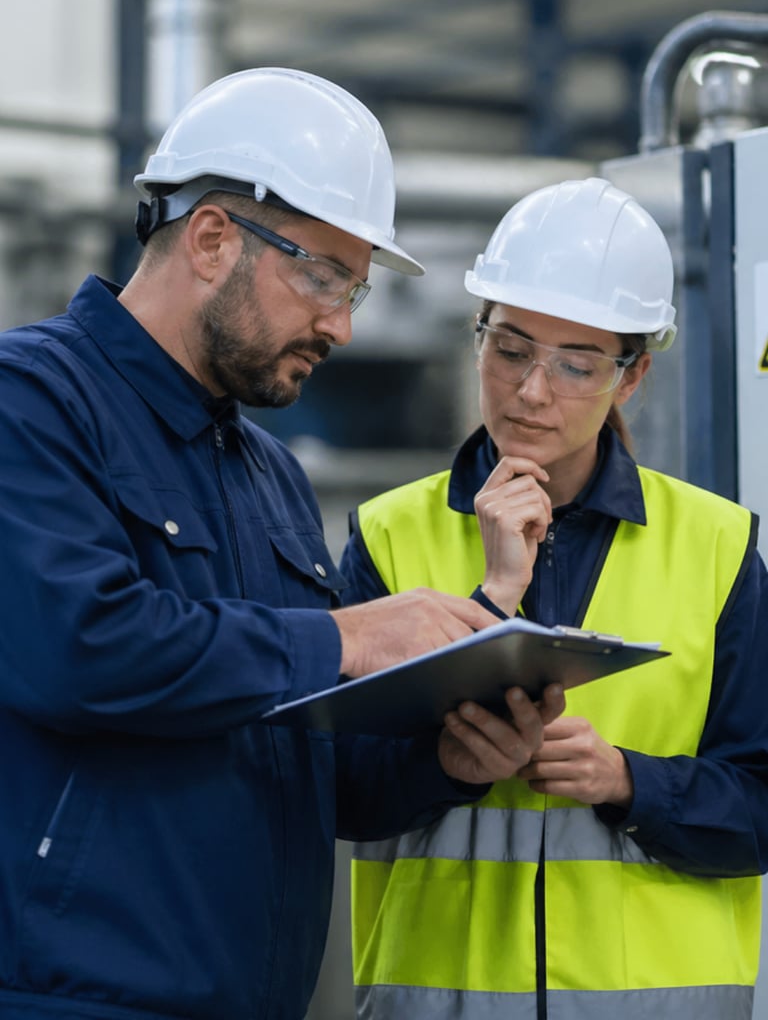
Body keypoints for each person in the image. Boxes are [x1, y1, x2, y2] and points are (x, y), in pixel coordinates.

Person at [0, 68, 566, 1020]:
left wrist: (450, 763)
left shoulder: (270, 472)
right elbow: (78, 649)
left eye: (356, 287)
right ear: (215, 237)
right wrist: (351, 636)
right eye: (325, 277)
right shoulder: (32, 401)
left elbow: (311, 764)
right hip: (76, 994)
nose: (342, 323)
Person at [341, 177, 768, 1020]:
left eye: (576, 365)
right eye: (510, 349)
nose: (532, 391)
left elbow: (759, 801)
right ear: (477, 338)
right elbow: (339, 792)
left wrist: (628, 782)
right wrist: (492, 605)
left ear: (632, 375)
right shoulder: (387, 535)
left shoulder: (718, 548)